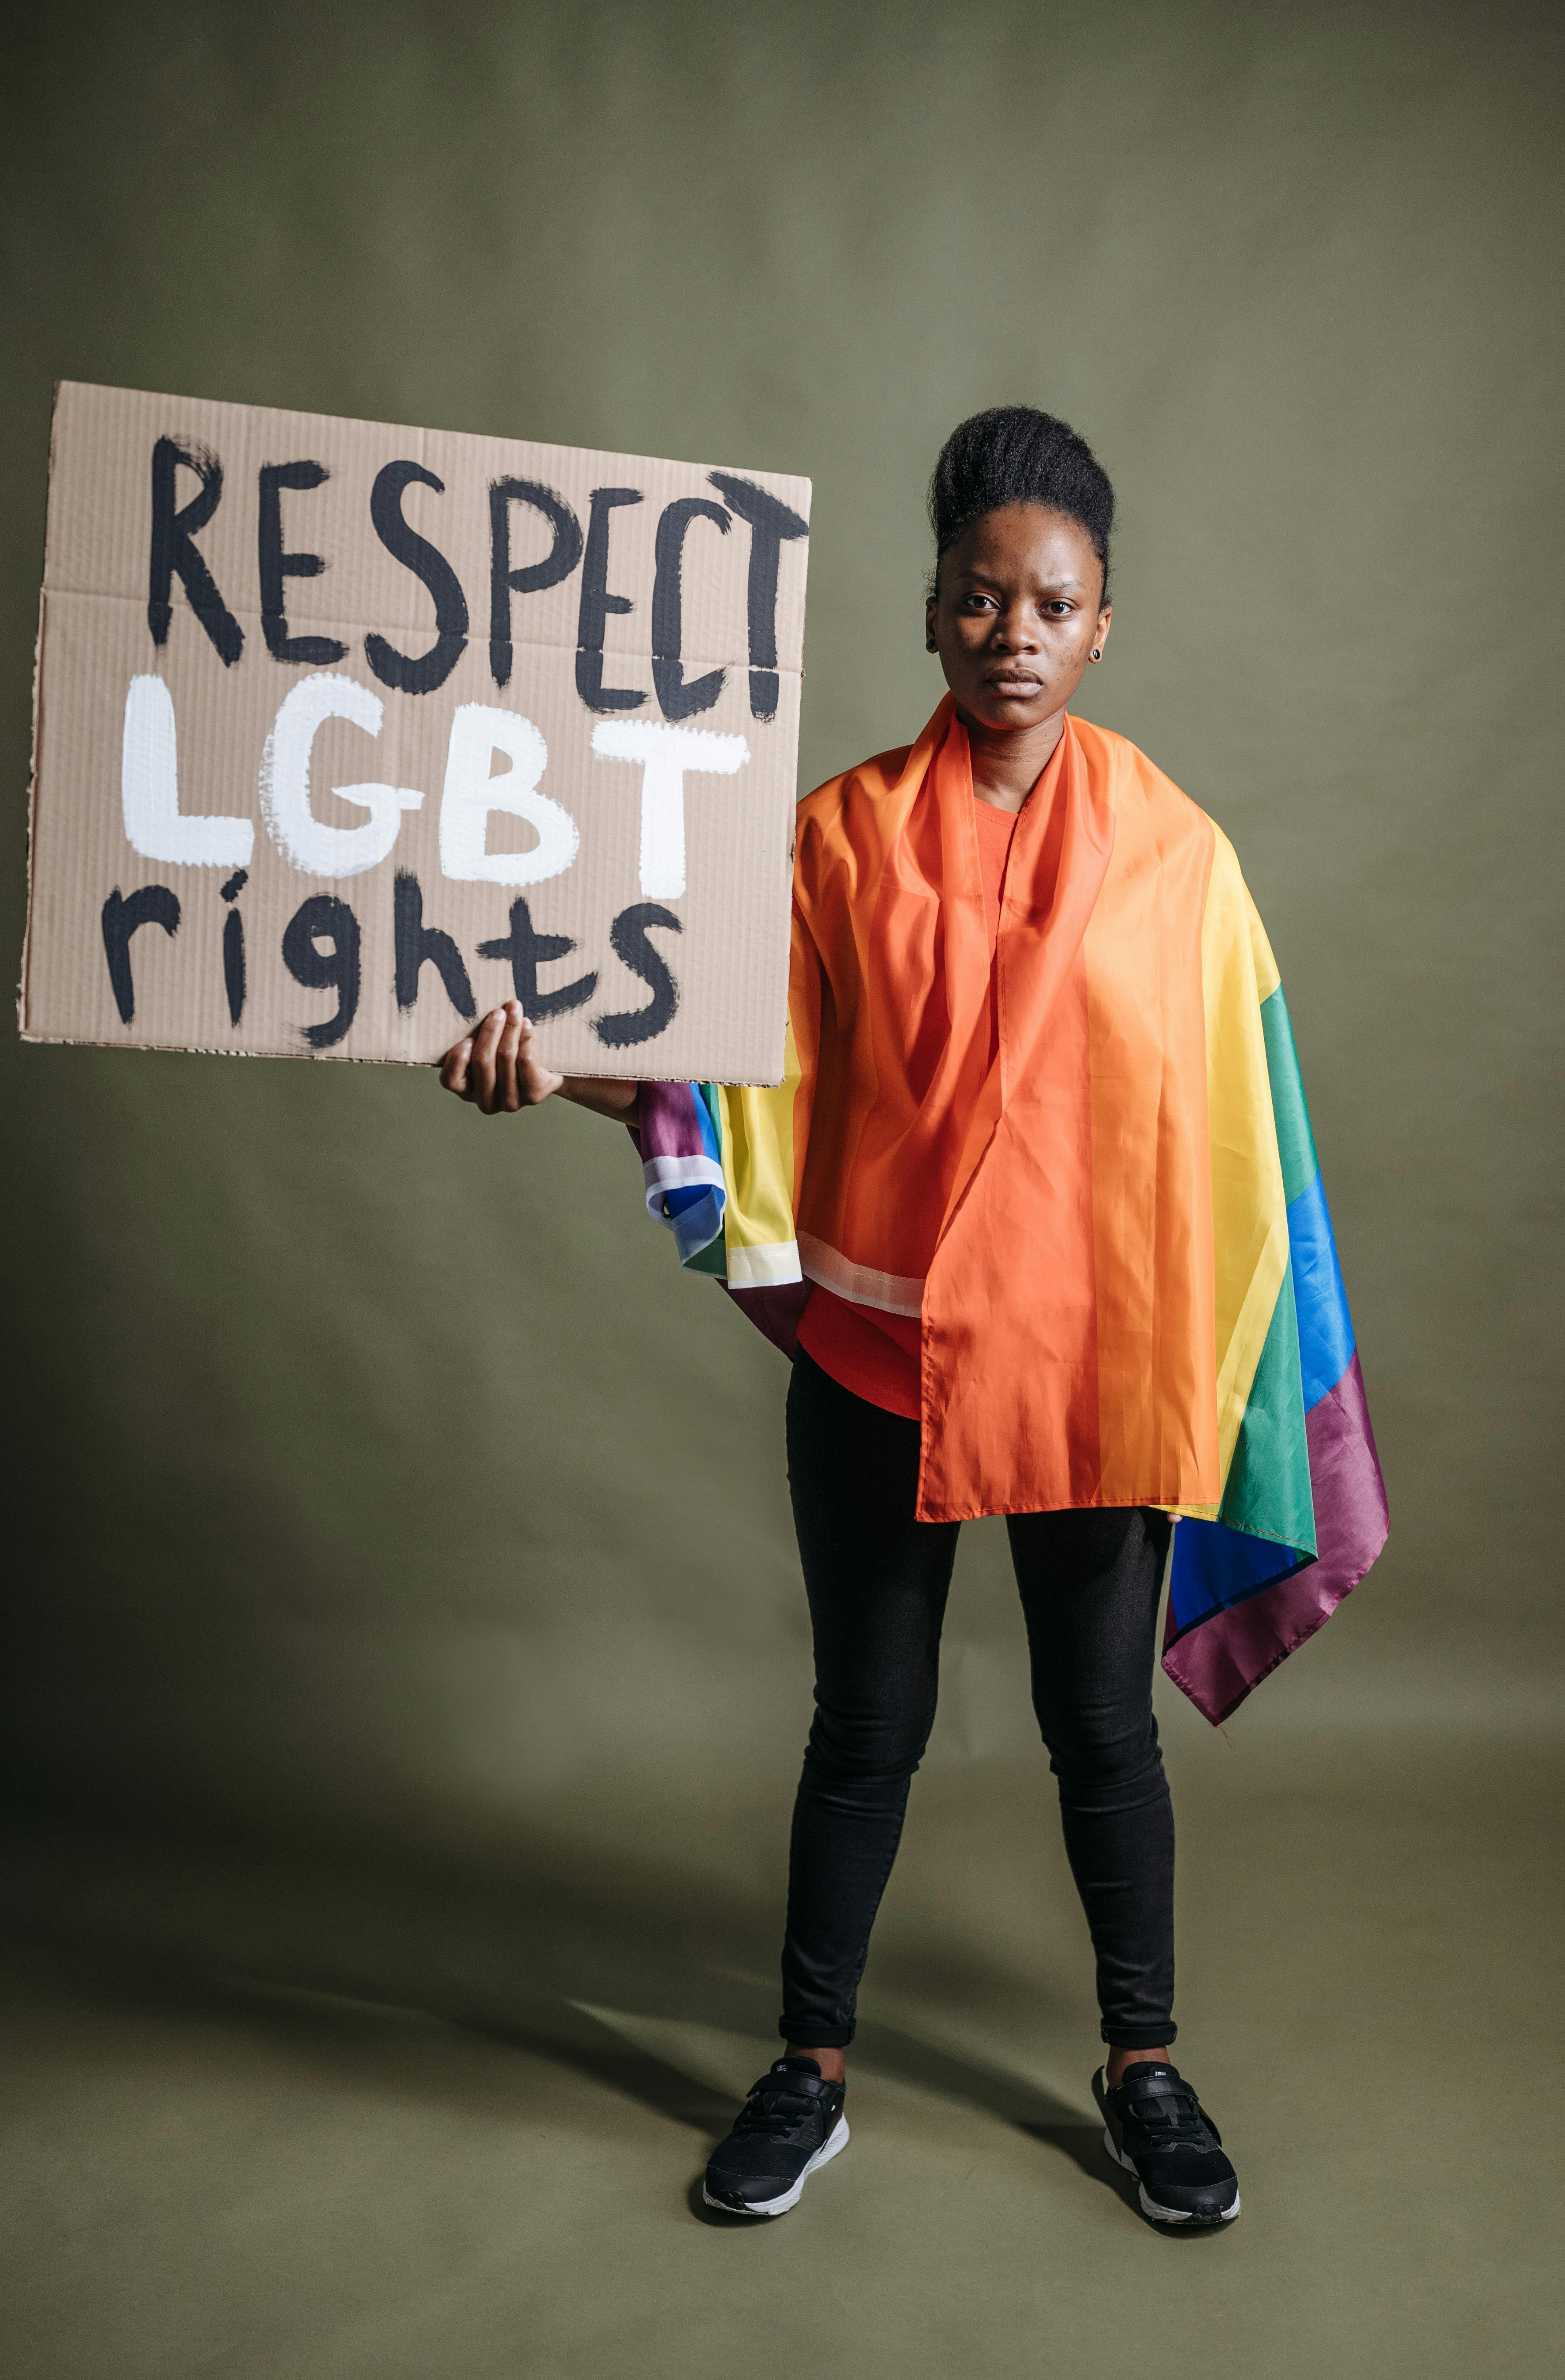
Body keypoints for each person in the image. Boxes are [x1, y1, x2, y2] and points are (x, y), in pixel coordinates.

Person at [437, 408, 1388, 2229]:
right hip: (881, 1360)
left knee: (1097, 1730)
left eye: (1051, 603)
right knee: (862, 1725)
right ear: (930, 607)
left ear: (1100, 623)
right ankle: (805, 2070)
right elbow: (718, 1063)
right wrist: (550, 1066)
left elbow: (1237, 1132)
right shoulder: (836, 836)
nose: (1011, 632)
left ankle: (1140, 2065)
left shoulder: (1181, 858)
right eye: (977, 595)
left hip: (1089, 1366)